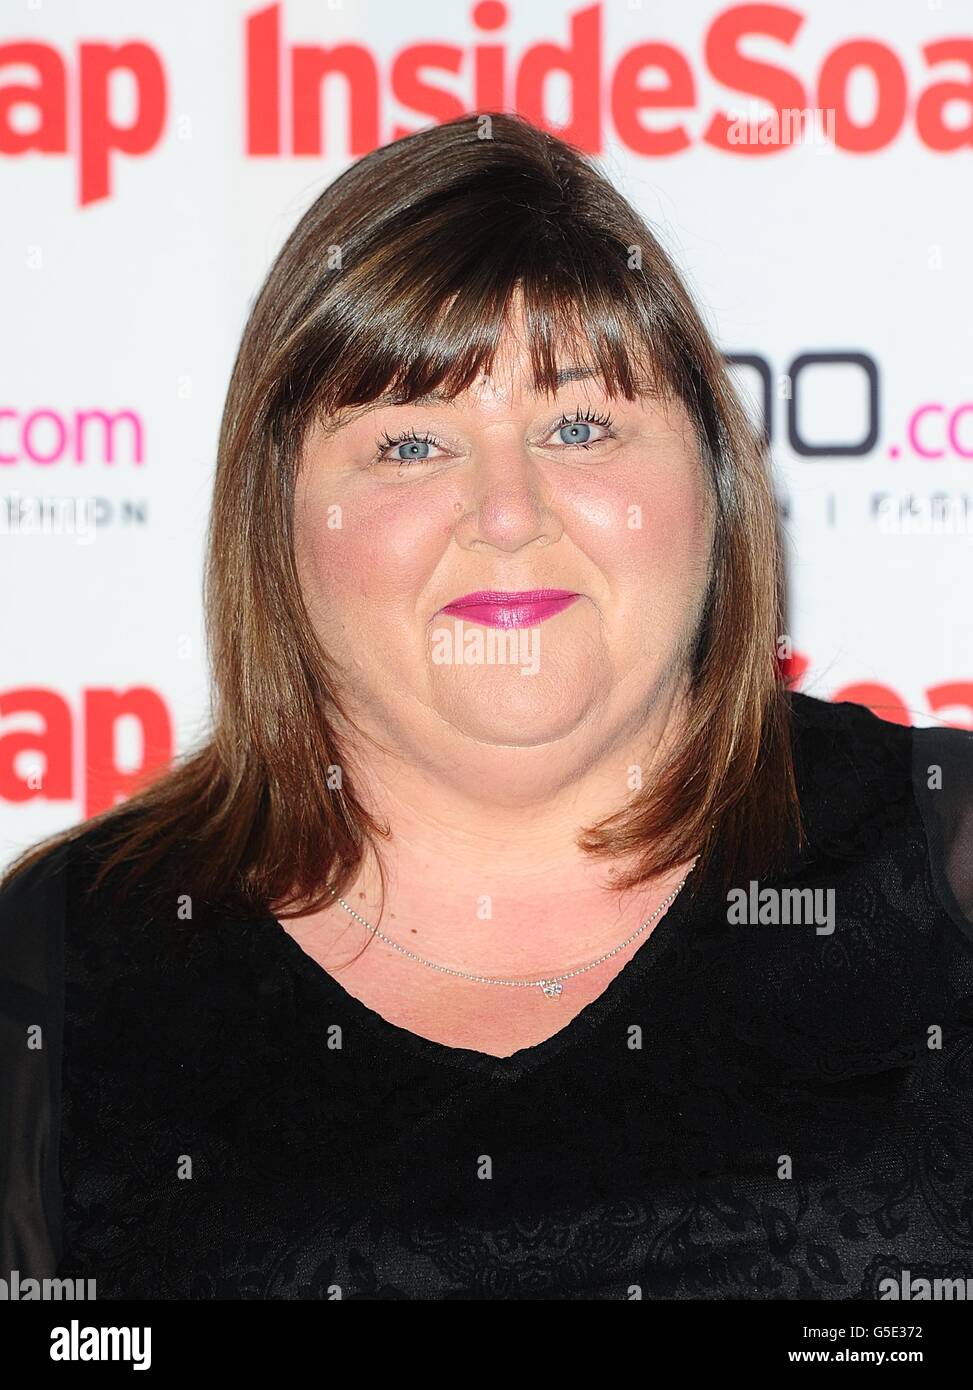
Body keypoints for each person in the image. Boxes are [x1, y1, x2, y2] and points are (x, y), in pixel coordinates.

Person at [1, 112, 971, 1301]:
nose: (507, 512)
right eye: (410, 445)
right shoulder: (63, 963)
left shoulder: (945, 851)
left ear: (717, 484)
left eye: (580, 425)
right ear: (280, 525)